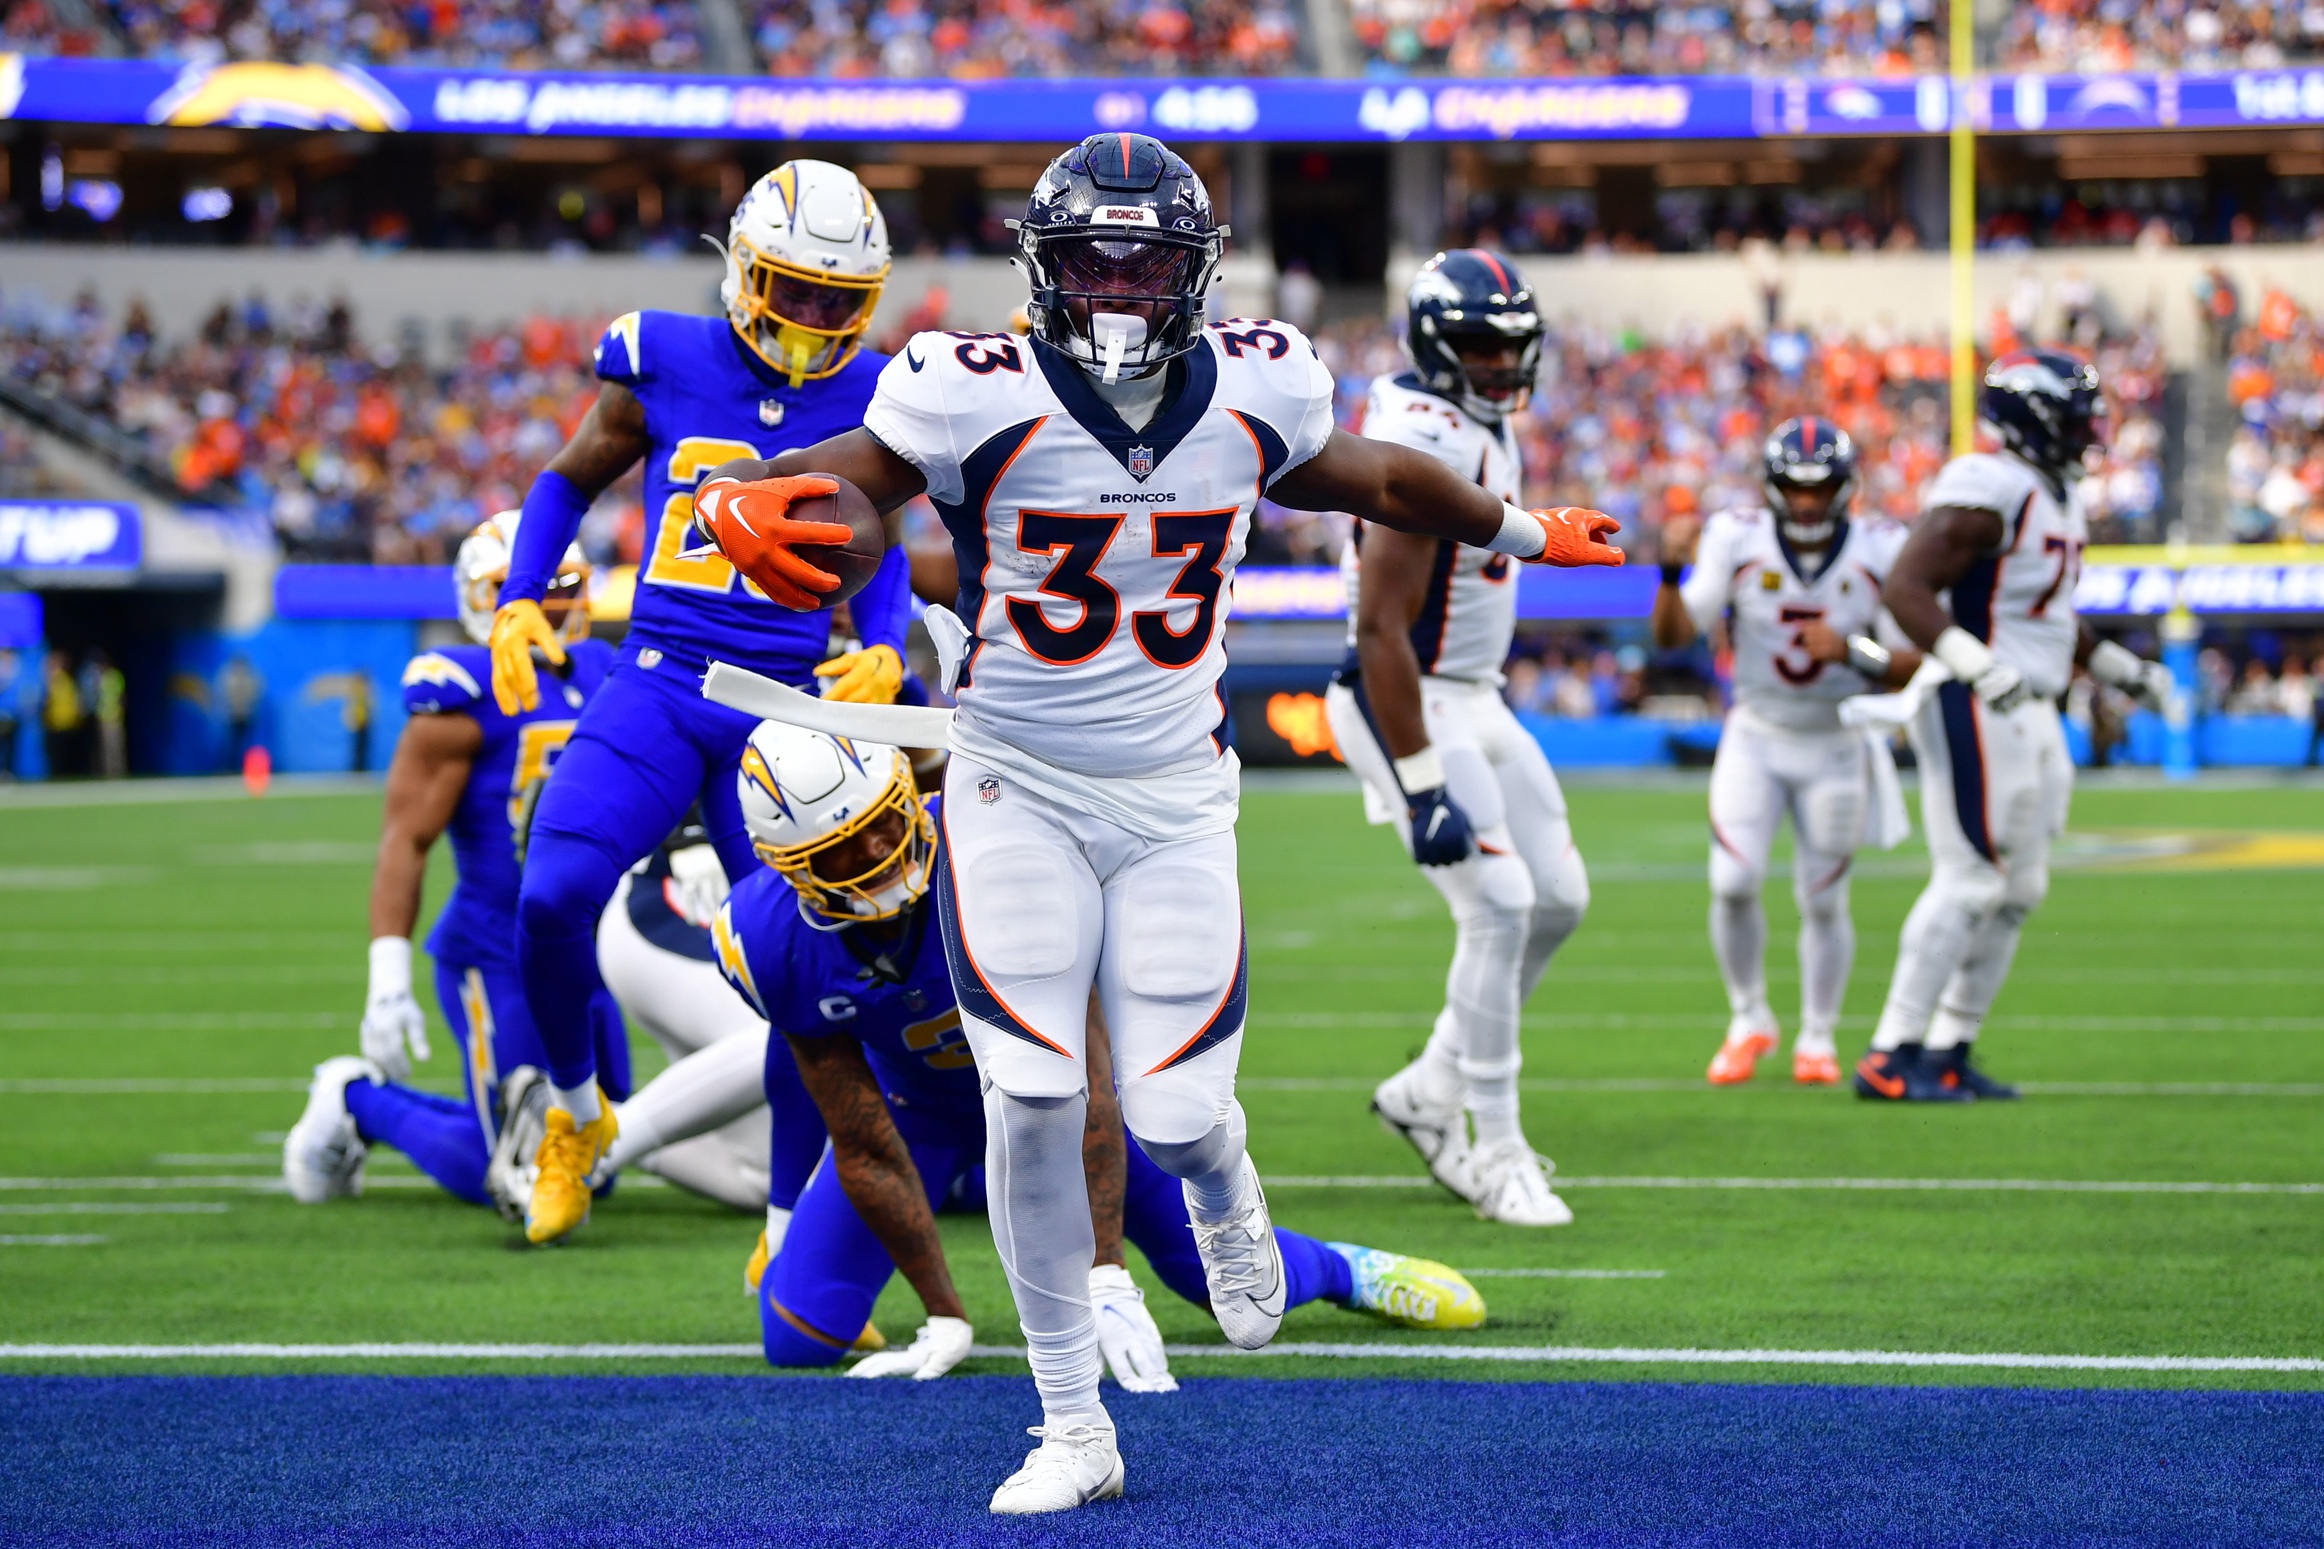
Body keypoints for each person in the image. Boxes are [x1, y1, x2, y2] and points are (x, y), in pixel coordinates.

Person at [691, 132, 1619, 1513]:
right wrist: (741, 493)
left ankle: (1229, 1188)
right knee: (1034, 1099)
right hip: (1013, 780)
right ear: (1043, 269)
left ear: (1197, 275)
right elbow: (851, 477)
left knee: (1181, 1118)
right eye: (1092, 260)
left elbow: (1375, 480)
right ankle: (1073, 1425)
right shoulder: (965, 387)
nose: (1120, 288)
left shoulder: (1260, 380)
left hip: (1179, 794)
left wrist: (1520, 531)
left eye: (1148, 262)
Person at [716, 720, 1485, 1391]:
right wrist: (946, 1312)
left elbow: (1085, 1068)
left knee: (1207, 1281)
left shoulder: (993, 853)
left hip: (1070, 1101)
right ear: (792, 866)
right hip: (919, 1118)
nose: (884, 849)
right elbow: (861, 1139)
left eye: (889, 819)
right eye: (848, 846)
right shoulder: (774, 943)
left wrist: (1106, 1272)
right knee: (797, 1335)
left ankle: (1351, 1270)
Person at [485, 160, 913, 1246]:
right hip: (664, 680)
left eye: (837, 299)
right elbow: (568, 476)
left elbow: (887, 535)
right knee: (551, 893)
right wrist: (522, 596)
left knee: (801, 966)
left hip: (786, 709)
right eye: (794, 289)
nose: (816, 319)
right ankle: (577, 1121)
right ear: (740, 271)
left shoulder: (877, 393)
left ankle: (785, 1227)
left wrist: (882, 644)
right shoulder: (662, 356)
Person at [1322, 250, 1591, 1224]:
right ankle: (1493, 1146)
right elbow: (1379, 626)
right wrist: (1423, 778)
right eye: (1478, 344)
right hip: (1406, 696)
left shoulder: (1472, 419)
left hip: (1471, 692)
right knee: (1500, 905)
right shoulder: (1421, 432)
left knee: (1558, 896)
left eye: (1509, 345)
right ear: (1433, 343)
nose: (1497, 363)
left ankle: (1427, 1090)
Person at [281, 513, 626, 1205]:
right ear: (479, 596)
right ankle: (354, 1099)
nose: (552, 600)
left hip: (588, 946)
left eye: (565, 582)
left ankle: (396, 1106)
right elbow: (405, 837)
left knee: (597, 1158)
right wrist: (388, 977)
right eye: (532, 585)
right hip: (495, 948)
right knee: (512, 1169)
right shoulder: (459, 693)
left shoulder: (603, 669)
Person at [1856, 352, 2173, 1103]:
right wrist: (1974, 662)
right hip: (1976, 696)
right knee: (1970, 879)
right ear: (2033, 418)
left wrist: (2122, 669)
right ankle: (1890, 1052)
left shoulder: (2052, 493)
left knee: (2020, 886)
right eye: (2076, 416)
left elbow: (2049, 619)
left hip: (2031, 701)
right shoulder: (1989, 484)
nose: (2090, 431)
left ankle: (1947, 1048)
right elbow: (1907, 588)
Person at [1649, 417, 1919, 1087]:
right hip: (1758, 732)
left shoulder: (1882, 548)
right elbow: (1675, 634)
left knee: (1825, 900)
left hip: (1835, 739)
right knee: (1731, 882)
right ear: (1772, 488)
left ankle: (1819, 1035)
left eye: (1819, 487)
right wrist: (1669, 568)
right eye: (1795, 489)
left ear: (1844, 488)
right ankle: (1749, 1018)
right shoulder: (1736, 538)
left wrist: (1857, 652)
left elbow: (1918, 659)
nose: (1805, 503)